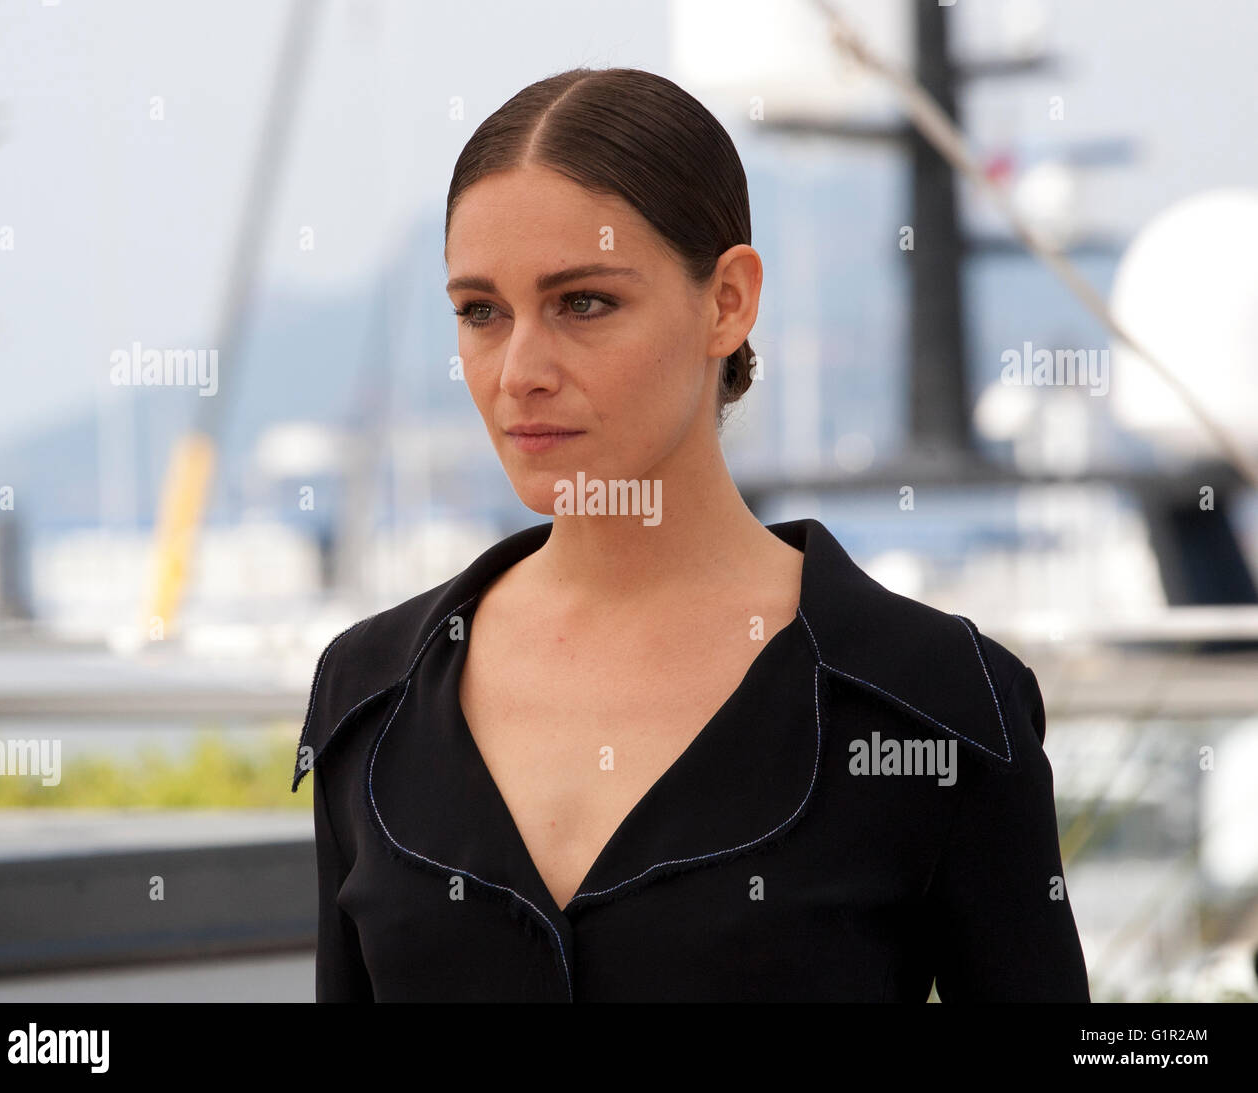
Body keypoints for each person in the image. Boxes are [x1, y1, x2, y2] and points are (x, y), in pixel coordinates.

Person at [291, 66, 1090, 1002]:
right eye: (481, 312)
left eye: (584, 302)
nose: (520, 371)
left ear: (728, 302)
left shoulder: (939, 702)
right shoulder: (370, 696)